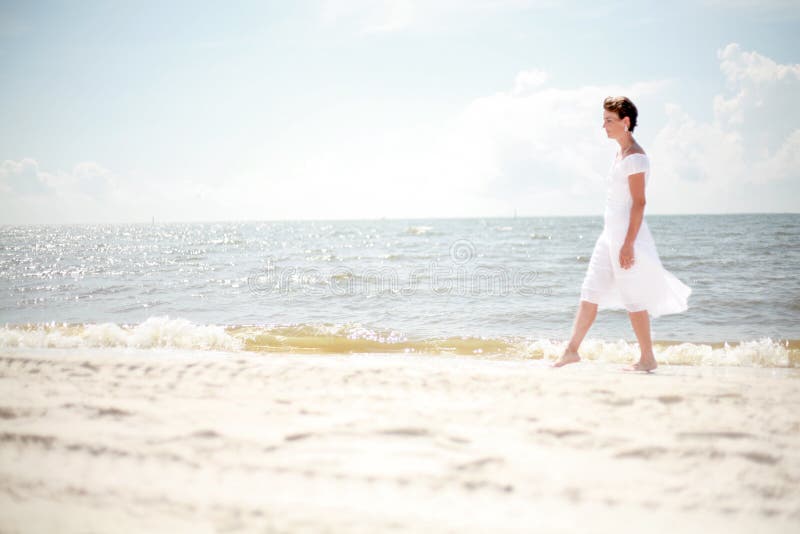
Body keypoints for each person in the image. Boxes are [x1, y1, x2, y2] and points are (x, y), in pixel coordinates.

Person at [552, 96, 691, 372]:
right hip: (609, 236)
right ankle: (571, 351)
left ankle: (648, 358)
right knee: (590, 291)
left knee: (633, 297)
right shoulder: (620, 153)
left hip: (627, 238)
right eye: (603, 119)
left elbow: (639, 203)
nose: (603, 125)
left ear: (626, 122)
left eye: (609, 120)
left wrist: (628, 244)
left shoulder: (636, 158)